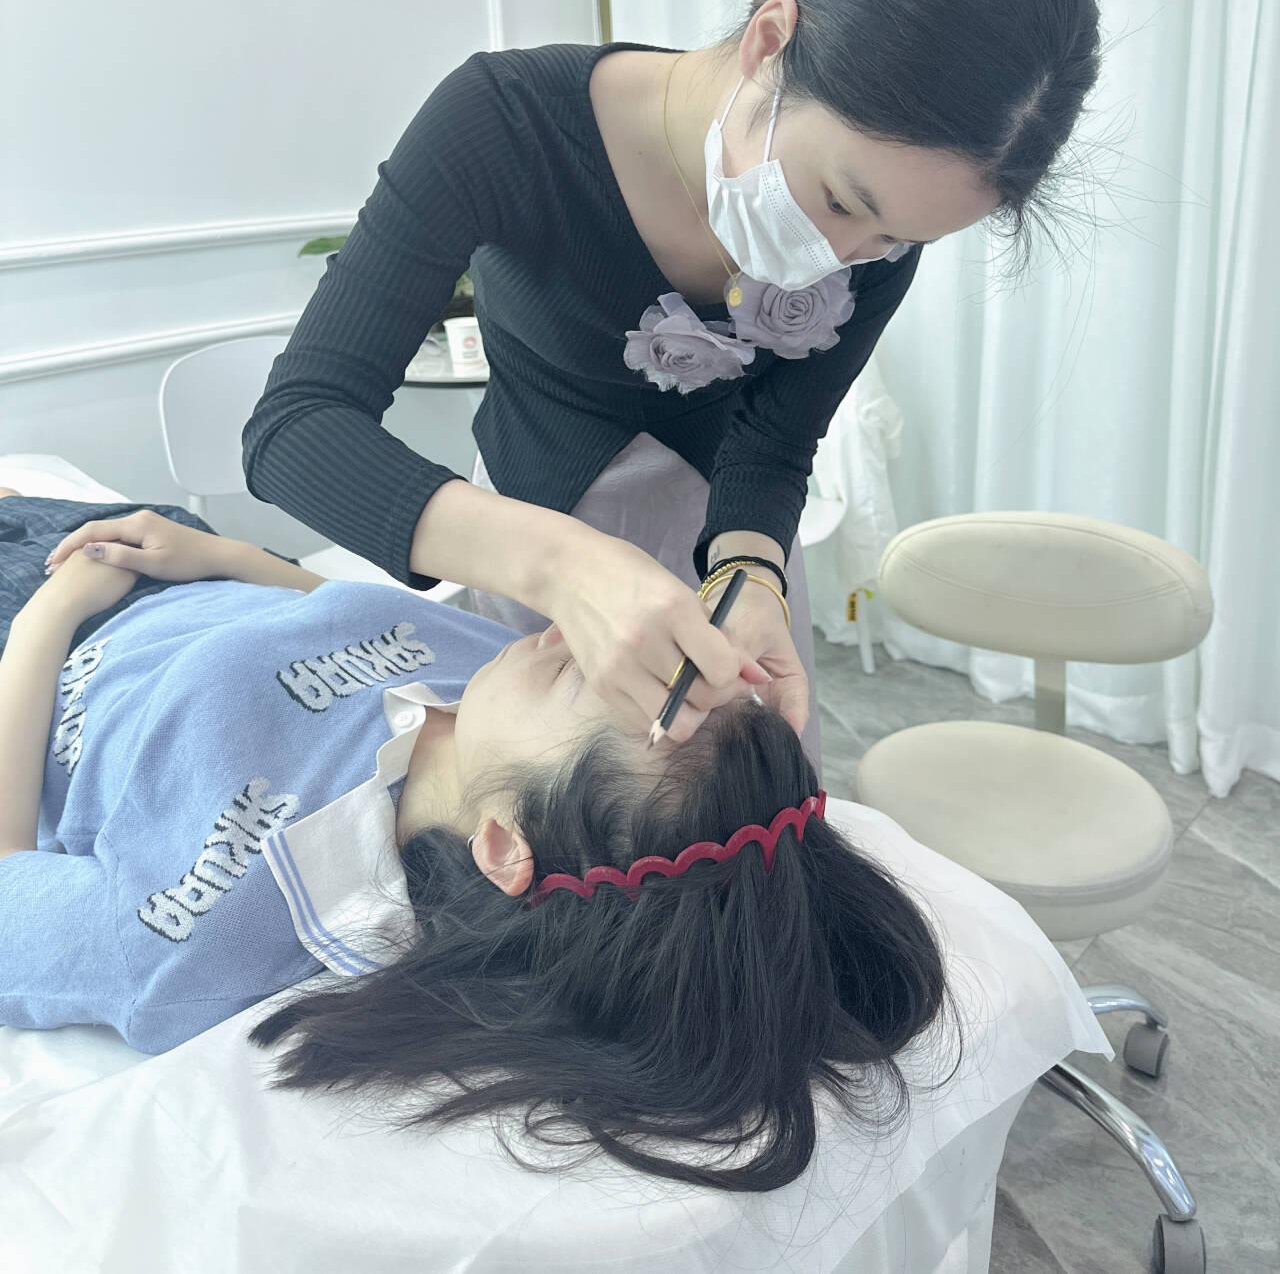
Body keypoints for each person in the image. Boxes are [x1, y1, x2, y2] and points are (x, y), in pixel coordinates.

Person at [241, 0, 1102, 785]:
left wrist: (749, 574)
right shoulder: (503, 126)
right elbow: (295, 428)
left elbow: (774, 443)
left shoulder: (879, 234)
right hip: (529, 530)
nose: (841, 261)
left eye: (898, 240)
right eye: (839, 202)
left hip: (722, 551)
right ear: (769, 39)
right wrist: (560, 565)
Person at [0, 501, 958, 1193]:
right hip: (173, 554)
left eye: (578, 675)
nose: (576, 636)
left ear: (503, 845)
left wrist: (53, 615)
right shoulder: (501, 695)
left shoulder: (198, 932)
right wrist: (225, 553)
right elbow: (344, 614)